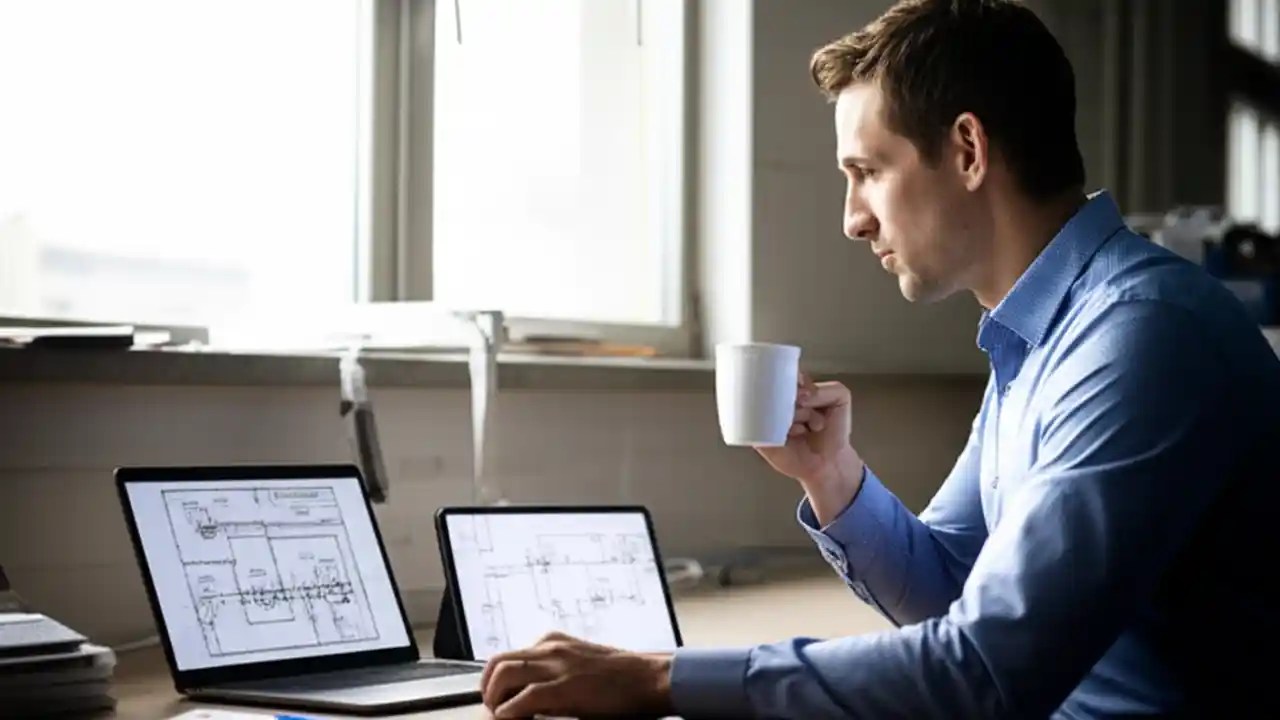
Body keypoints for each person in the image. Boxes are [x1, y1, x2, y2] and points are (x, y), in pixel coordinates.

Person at [478, 0, 1280, 717]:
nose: (852, 220)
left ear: (968, 150)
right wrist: (832, 476)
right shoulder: (1043, 337)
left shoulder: (1140, 337)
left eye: (866, 172)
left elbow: (986, 672)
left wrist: (661, 679)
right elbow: (954, 591)